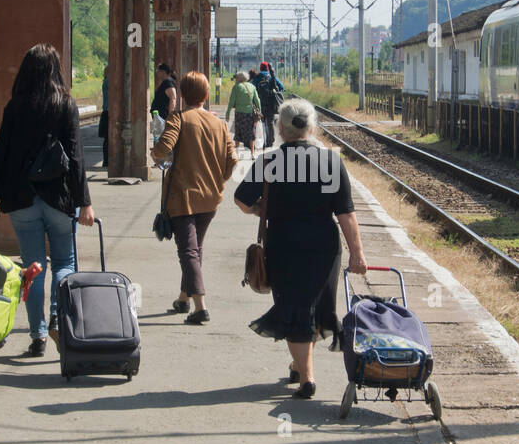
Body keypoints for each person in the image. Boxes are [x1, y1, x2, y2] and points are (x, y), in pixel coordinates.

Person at [233, 98, 366, 400]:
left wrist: (259, 211)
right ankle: (299, 365)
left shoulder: (270, 161)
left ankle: (307, 378)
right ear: (311, 126)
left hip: (284, 243)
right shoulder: (331, 161)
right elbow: (346, 213)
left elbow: (241, 199)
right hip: (324, 246)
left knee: (294, 308)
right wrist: (358, 253)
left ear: (280, 128)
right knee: (314, 307)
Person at [0, 44, 95, 358]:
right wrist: (84, 202)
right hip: (59, 197)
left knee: (32, 268)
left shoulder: (14, 106)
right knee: (64, 263)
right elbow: (75, 158)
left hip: (21, 199)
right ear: (55, 70)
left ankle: (38, 335)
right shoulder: (65, 104)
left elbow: (0, 155)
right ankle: (59, 319)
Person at [150, 71, 236, 325]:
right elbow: (232, 161)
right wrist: (218, 181)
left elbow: (163, 147)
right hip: (210, 199)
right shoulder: (218, 123)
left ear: (184, 94)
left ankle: (200, 307)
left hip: (183, 196)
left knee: (188, 251)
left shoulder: (179, 119)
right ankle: (183, 298)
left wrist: (156, 155)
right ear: (206, 95)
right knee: (195, 249)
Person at [225, 70, 261, 154]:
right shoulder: (252, 86)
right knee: (251, 132)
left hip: (239, 113)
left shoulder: (236, 87)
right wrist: (259, 110)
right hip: (250, 114)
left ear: (239, 78)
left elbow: (231, 102)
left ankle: (237, 152)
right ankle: (252, 153)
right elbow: (257, 100)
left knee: (238, 132)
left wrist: (227, 113)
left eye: (236, 78)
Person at [251, 61, 284, 148]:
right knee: (270, 123)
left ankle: (261, 141)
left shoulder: (257, 77)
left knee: (260, 122)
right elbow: (282, 87)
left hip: (260, 104)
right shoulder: (271, 77)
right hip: (271, 104)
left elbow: (252, 88)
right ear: (268, 68)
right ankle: (270, 141)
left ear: (260, 68)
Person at [99, 68, 109, 168]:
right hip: (108, 112)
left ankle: (106, 161)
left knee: (107, 139)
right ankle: (106, 161)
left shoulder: (105, 81)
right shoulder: (108, 81)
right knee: (108, 139)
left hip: (106, 112)